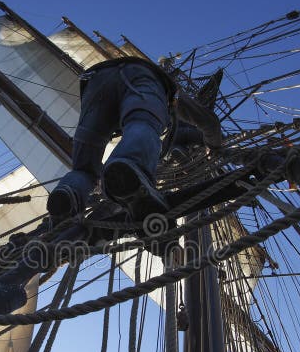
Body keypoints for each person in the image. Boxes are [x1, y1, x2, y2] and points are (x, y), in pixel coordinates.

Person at [46, 57, 222, 226]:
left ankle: (68, 194)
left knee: (84, 168)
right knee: (143, 122)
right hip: (144, 78)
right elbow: (210, 122)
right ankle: (130, 167)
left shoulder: (169, 91)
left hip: (95, 82)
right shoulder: (172, 92)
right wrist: (214, 145)